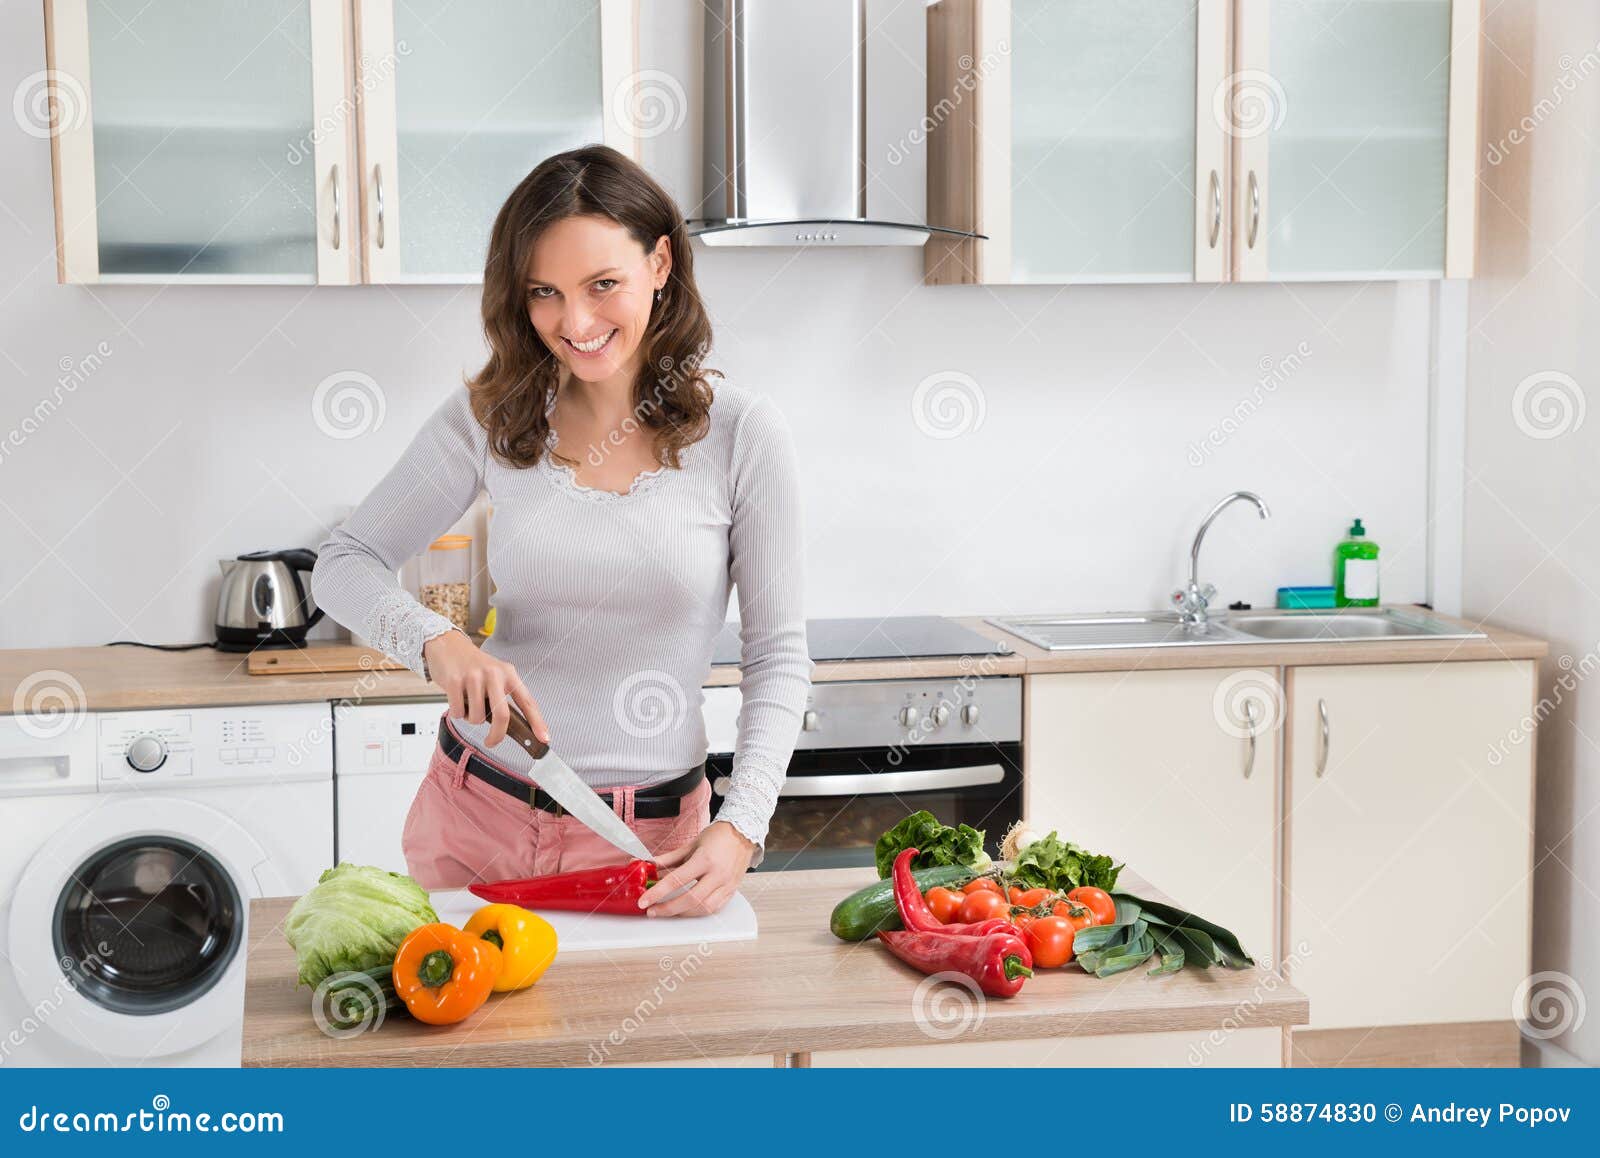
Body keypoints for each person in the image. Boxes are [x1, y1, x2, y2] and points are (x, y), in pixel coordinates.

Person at [311, 145, 812, 917]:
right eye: (544, 292)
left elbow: (776, 655)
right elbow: (344, 562)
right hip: (475, 812)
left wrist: (742, 825)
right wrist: (438, 643)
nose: (574, 323)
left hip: (647, 845)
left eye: (602, 284)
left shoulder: (743, 434)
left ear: (660, 263)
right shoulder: (490, 416)